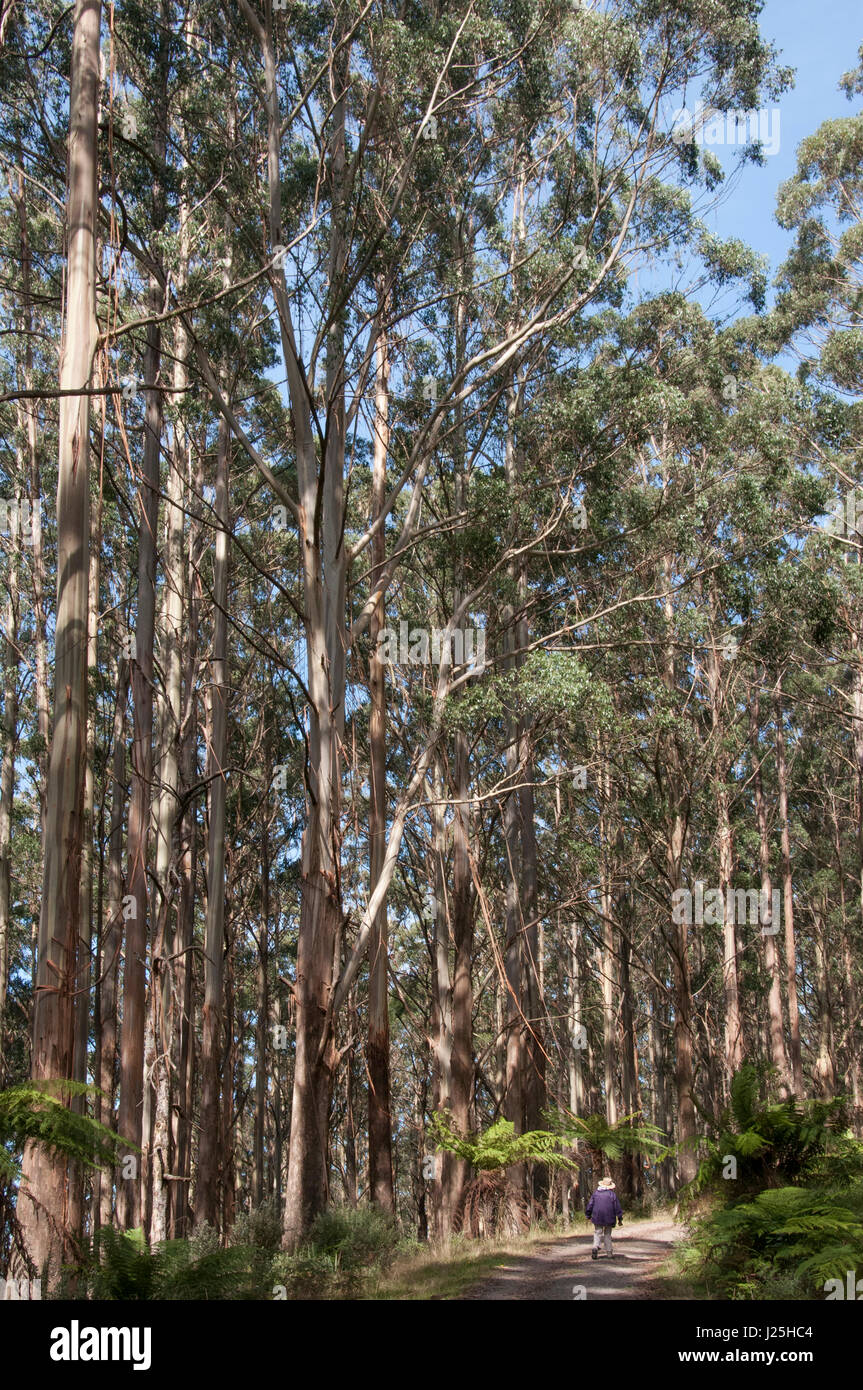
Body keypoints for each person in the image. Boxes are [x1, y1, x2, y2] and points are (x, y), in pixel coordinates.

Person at [586, 1176, 623, 1259]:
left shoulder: (596, 1194)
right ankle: (609, 1253)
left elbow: (590, 1205)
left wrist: (588, 1215)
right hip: (609, 1217)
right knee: (607, 1234)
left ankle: (595, 1247)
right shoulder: (612, 1195)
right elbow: (617, 1207)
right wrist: (620, 1218)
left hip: (597, 1216)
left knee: (597, 1232)